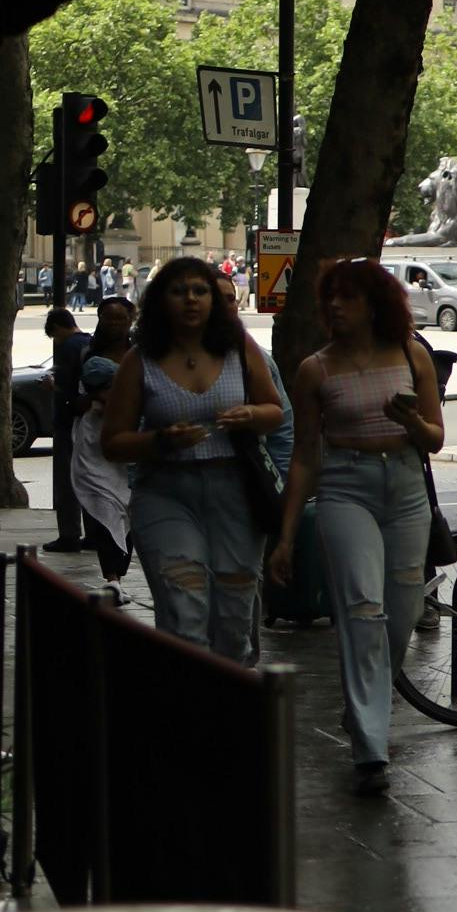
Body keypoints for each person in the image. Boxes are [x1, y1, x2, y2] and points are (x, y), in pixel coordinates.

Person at [269, 257, 444, 795]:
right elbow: (304, 455)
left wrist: (410, 421)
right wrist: (286, 536)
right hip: (345, 486)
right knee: (362, 609)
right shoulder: (315, 369)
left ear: (375, 304)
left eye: (348, 297)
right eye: (331, 298)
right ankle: (371, 747)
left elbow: (435, 438)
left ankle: (365, 704)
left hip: (406, 486)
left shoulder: (412, 354)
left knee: (404, 610)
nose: (335, 306)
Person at [101, 255, 283, 662]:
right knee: (184, 612)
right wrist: (160, 440)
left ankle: (228, 695)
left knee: (234, 624)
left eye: (200, 291)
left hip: (236, 493)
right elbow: (112, 441)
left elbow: (275, 411)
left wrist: (251, 415)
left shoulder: (239, 348)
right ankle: (188, 697)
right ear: (160, 300)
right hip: (166, 494)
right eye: (179, 291)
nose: (191, 299)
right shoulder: (140, 360)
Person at [71, 298, 137, 592]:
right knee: (102, 505)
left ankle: (119, 568)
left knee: (128, 507)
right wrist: (96, 398)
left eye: (121, 318)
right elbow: (71, 399)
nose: (115, 324)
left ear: (130, 321)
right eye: (109, 318)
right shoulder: (88, 354)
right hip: (94, 443)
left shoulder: (140, 354)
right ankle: (111, 576)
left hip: (130, 441)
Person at [41, 304, 91, 551]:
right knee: (89, 479)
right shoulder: (90, 343)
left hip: (67, 421)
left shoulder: (67, 348)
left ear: (59, 328)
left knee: (67, 480)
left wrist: (52, 386)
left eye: (54, 335)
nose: (55, 340)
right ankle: (94, 534)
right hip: (88, 421)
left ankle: (69, 534)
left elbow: (64, 387)